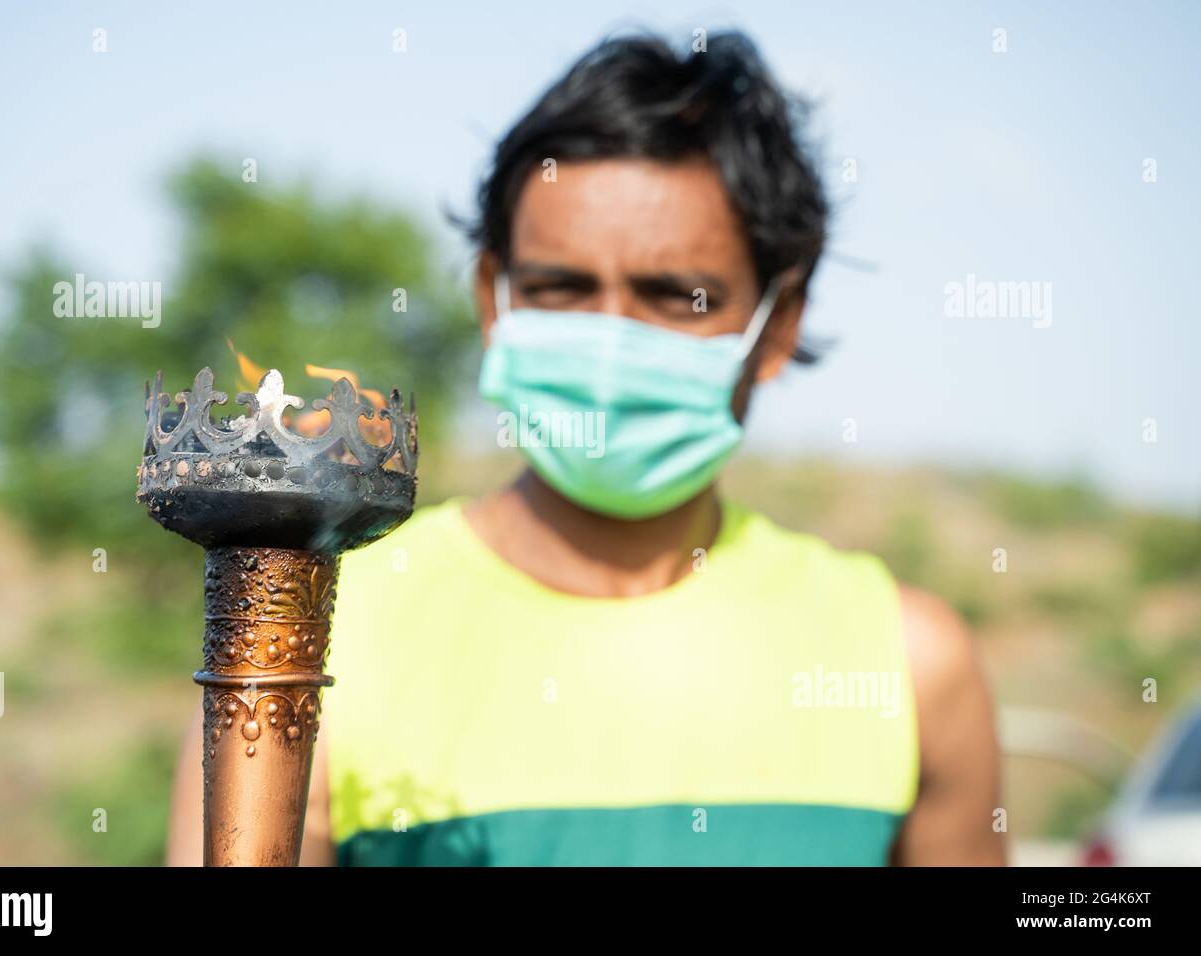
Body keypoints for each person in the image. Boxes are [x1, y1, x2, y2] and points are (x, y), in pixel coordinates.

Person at [167, 30, 1004, 866]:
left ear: (778, 326)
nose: (609, 337)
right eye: (560, 287)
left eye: (676, 296)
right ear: (494, 302)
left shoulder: (908, 665)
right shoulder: (311, 632)